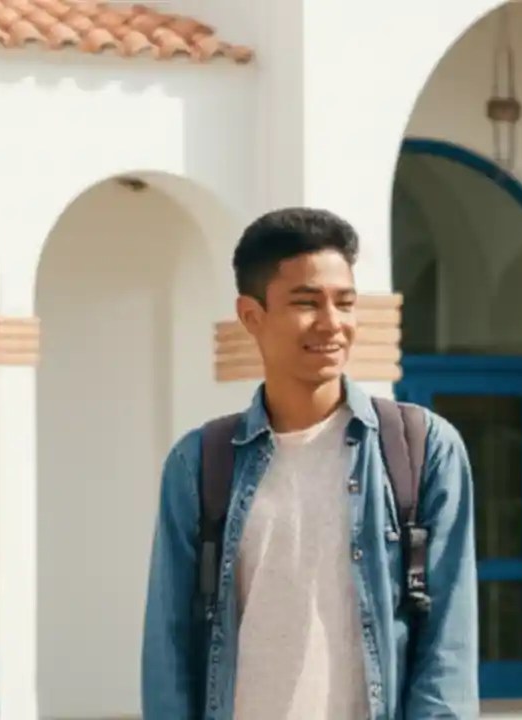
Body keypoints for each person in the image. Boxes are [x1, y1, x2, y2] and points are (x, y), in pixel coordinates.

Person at [141, 207, 479, 719]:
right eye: (306, 302)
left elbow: (448, 644)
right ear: (251, 316)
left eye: (345, 303)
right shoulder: (200, 462)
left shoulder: (422, 449)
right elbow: (169, 645)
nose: (332, 323)